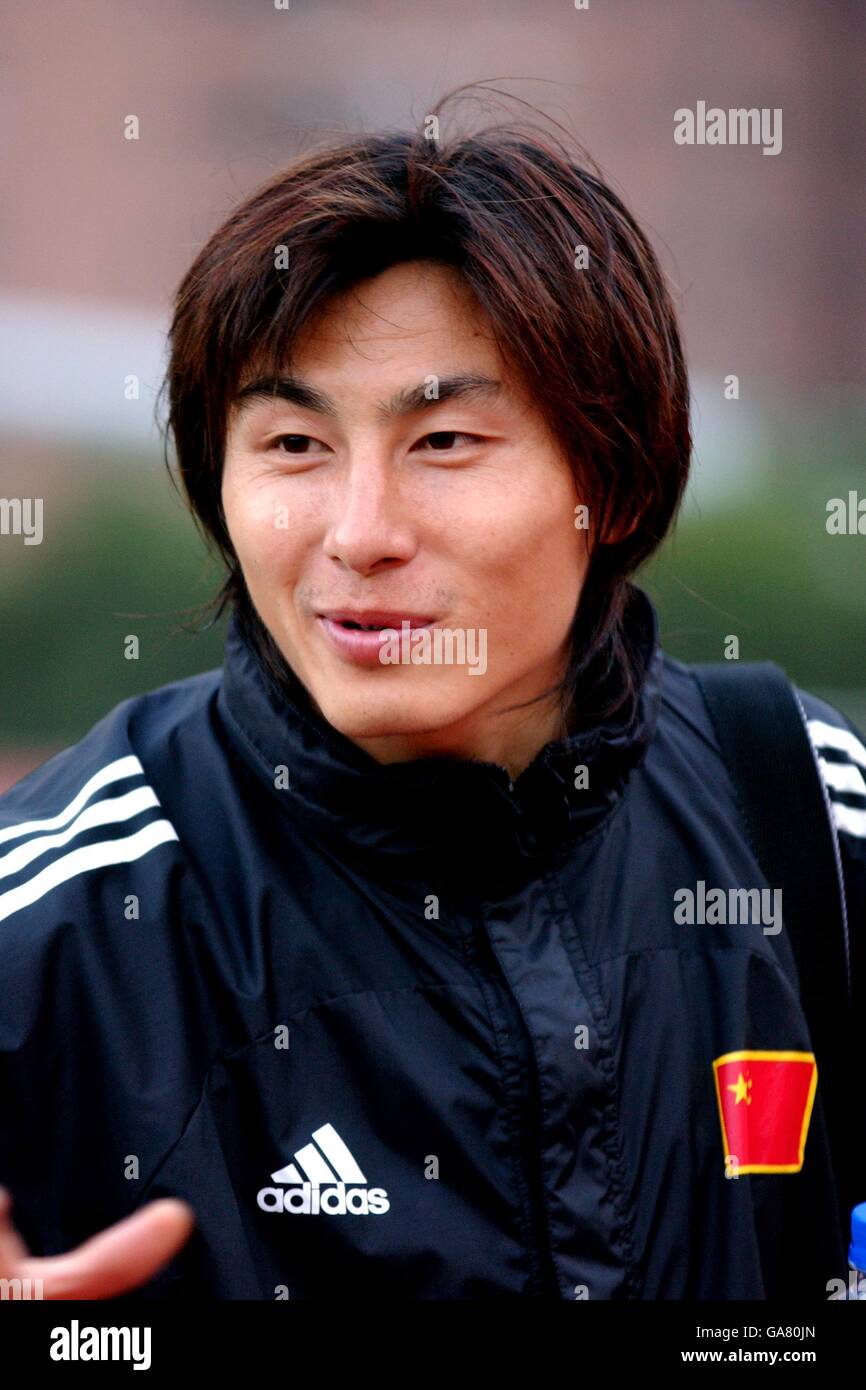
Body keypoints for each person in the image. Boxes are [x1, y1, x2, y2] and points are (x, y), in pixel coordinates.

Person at [0, 106, 864, 1302]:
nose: (359, 534)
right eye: (294, 444)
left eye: (444, 438)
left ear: (608, 479)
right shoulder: (59, 927)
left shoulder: (813, 819)